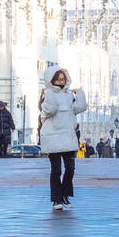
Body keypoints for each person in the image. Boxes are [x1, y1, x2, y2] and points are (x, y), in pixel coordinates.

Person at [39, 65, 86, 211]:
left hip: (67, 135)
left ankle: (65, 195)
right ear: (51, 80)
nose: (61, 81)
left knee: (70, 168)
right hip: (53, 136)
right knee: (56, 170)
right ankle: (56, 199)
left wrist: (79, 94)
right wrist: (50, 94)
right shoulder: (46, 94)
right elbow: (50, 110)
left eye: (62, 78)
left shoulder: (67, 95)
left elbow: (79, 108)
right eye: (58, 79)